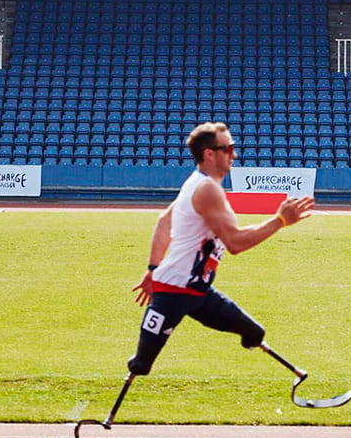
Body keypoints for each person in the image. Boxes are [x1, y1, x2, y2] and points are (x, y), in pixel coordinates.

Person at [122, 122, 313, 384]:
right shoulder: (206, 189)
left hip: (199, 292)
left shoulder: (196, 183)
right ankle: (104, 420)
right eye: (228, 148)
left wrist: (153, 269)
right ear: (209, 154)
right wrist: (279, 221)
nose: (234, 154)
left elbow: (163, 221)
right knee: (141, 364)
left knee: (254, 333)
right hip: (174, 291)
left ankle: (294, 374)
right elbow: (234, 242)